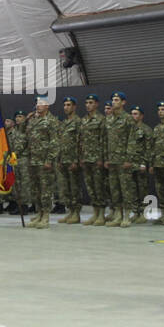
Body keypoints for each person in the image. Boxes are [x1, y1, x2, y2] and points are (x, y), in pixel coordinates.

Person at [25, 99, 59, 228]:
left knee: (45, 190)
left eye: (41, 104)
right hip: (32, 160)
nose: (38, 106)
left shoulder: (52, 121)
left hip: (44, 161)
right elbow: (26, 138)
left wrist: (49, 160)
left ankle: (46, 216)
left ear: (47, 106)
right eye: (37, 104)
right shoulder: (33, 121)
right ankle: (39, 213)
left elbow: (55, 142)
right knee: (35, 190)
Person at [103, 92, 132, 227]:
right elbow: (105, 140)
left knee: (125, 188)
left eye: (116, 100)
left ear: (123, 102)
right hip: (112, 159)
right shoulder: (108, 119)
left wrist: (129, 158)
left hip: (123, 159)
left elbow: (132, 140)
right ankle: (118, 214)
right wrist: (106, 158)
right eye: (113, 99)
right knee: (114, 189)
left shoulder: (128, 119)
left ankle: (127, 215)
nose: (113, 102)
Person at [80, 94, 108, 225]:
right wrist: (81, 157)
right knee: (90, 187)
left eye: (91, 102)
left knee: (99, 186)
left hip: (97, 158)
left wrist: (102, 158)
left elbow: (104, 140)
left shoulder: (102, 119)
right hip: (86, 158)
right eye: (86, 102)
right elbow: (80, 140)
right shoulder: (84, 120)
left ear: (97, 104)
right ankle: (95, 212)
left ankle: (101, 213)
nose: (88, 105)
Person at [56, 98, 83, 223]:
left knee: (74, 187)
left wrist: (76, 160)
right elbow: (61, 142)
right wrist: (59, 159)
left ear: (74, 107)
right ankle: (70, 211)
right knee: (65, 188)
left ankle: (76, 213)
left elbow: (80, 143)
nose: (66, 107)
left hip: (73, 160)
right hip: (64, 159)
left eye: (68, 105)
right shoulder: (64, 123)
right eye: (64, 105)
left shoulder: (78, 122)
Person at [127, 105, 153, 224]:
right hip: (130, 164)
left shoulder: (146, 129)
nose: (133, 116)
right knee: (132, 190)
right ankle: (136, 212)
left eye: (136, 113)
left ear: (141, 116)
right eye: (132, 113)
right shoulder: (128, 129)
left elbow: (149, 148)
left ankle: (144, 213)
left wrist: (144, 163)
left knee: (143, 189)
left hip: (140, 163)